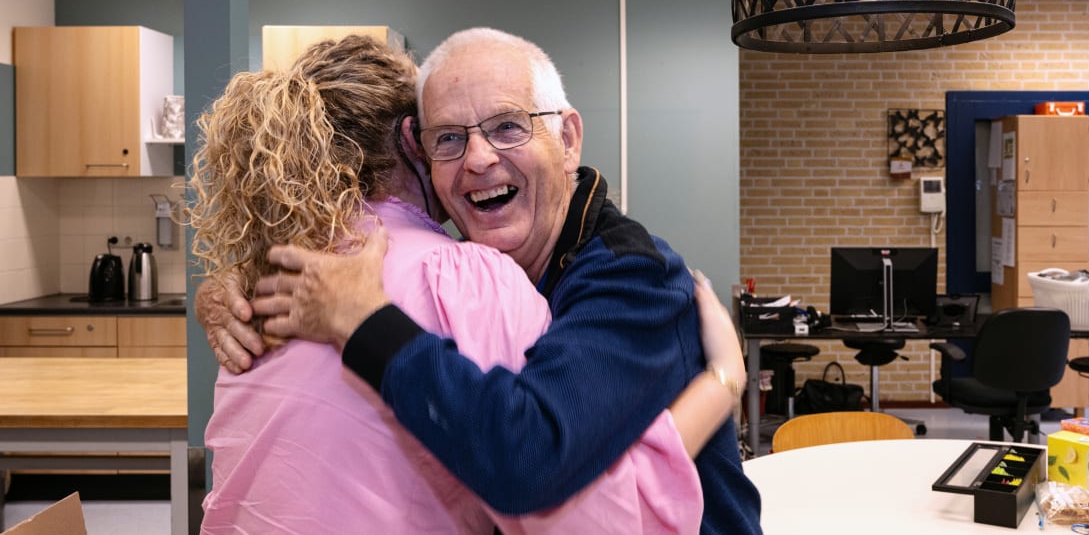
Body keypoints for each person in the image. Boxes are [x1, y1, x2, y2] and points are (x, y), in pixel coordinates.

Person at [204, 28, 762, 533]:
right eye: (447, 138)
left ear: (567, 140)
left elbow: (535, 460)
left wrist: (367, 323)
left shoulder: (630, 274)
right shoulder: (443, 272)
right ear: (415, 149)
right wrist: (225, 284)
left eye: (507, 127)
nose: (477, 158)